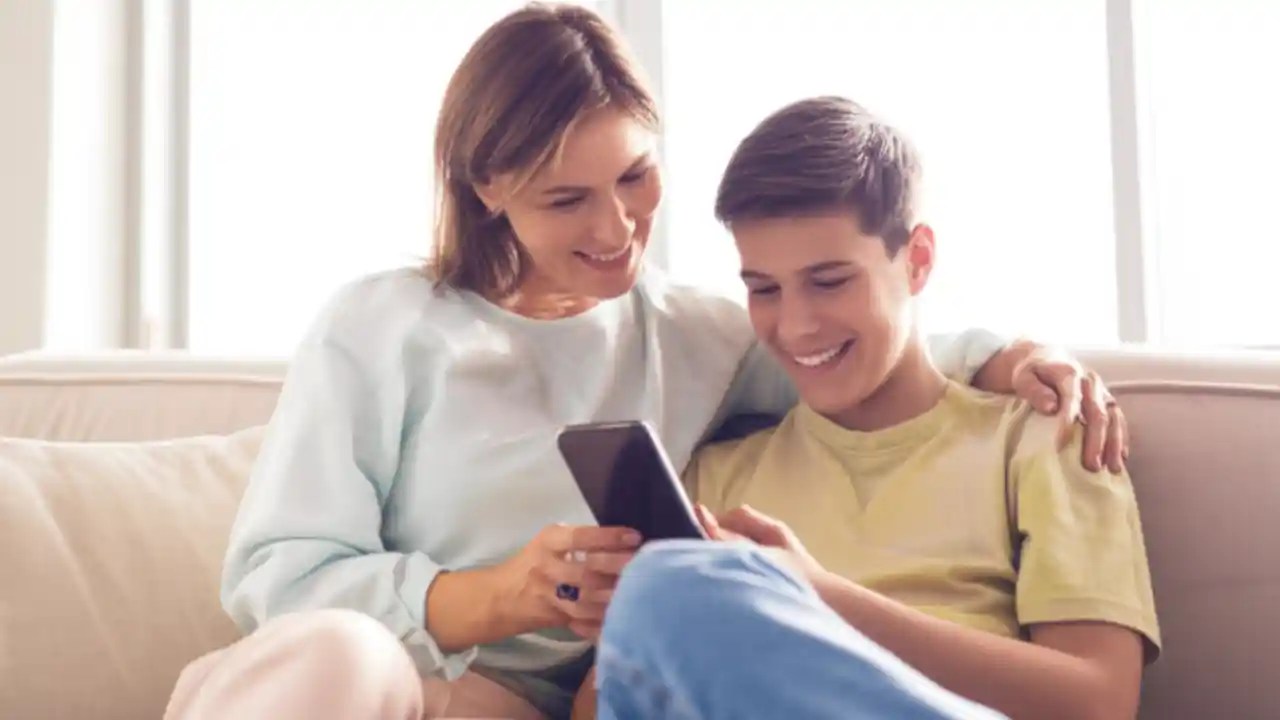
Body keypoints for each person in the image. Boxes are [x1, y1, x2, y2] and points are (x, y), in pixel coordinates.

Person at [163, 5, 1132, 720]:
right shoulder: (381, 326)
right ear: (489, 187)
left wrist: (1019, 358)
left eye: (634, 175)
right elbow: (277, 578)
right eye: (565, 199)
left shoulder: (693, 334)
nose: (615, 226)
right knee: (343, 656)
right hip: (391, 682)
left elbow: (863, 350)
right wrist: (505, 594)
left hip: (548, 701)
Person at [590, 95, 1160, 720]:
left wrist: (814, 595)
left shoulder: (1046, 436)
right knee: (658, 593)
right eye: (764, 290)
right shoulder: (716, 479)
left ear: (917, 260)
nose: (796, 326)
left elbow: (1099, 702)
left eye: (830, 281)